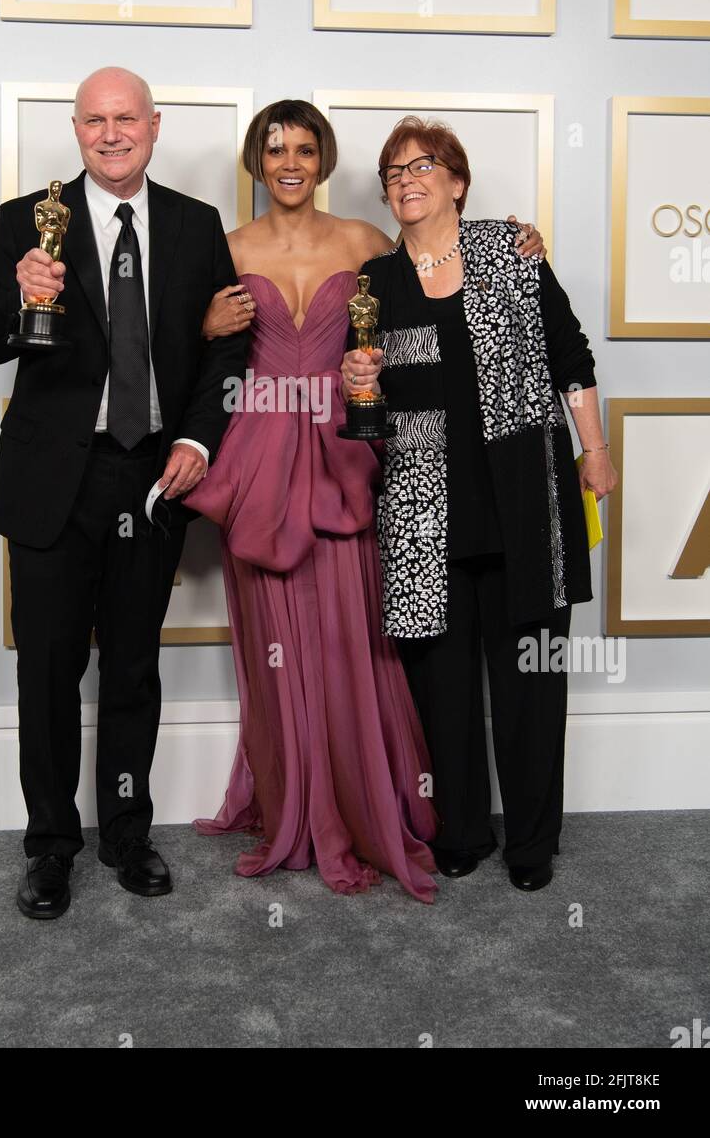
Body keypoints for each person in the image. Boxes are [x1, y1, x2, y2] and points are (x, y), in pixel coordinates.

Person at [183, 100, 546, 900]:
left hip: (353, 448)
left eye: (305, 149)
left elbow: (433, 281)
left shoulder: (366, 243)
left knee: (358, 636)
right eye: (274, 148)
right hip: (264, 455)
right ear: (255, 159)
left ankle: (367, 802)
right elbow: (187, 354)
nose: (289, 161)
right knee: (280, 641)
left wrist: (510, 244)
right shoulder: (226, 248)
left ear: (324, 160)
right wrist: (205, 324)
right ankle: (298, 808)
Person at [0, 67, 248, 919]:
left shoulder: (198, 227)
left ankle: (128, 833)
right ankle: (50, 846)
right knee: (50, 673)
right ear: (77, 129)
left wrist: (200, 438)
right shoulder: (27, 219)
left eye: (126, 118)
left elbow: (228, 349)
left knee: (132, 666)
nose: (111, 133)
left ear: (155, 126)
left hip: (152, 476)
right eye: (94, 120)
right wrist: (23, 297)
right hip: (55, 478)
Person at [342, 116, 618, 892]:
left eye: (422, 166)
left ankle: (531, 844)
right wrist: (354, 386)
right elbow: (368, 402)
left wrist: (594, 448)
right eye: (392, 172)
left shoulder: (512, 252)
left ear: (458, 182)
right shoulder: (377, 282)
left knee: (530, 682)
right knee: (445, 687)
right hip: (426, 513)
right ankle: (460, 829)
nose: (406, 181)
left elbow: (571, 355)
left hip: (524, 500)